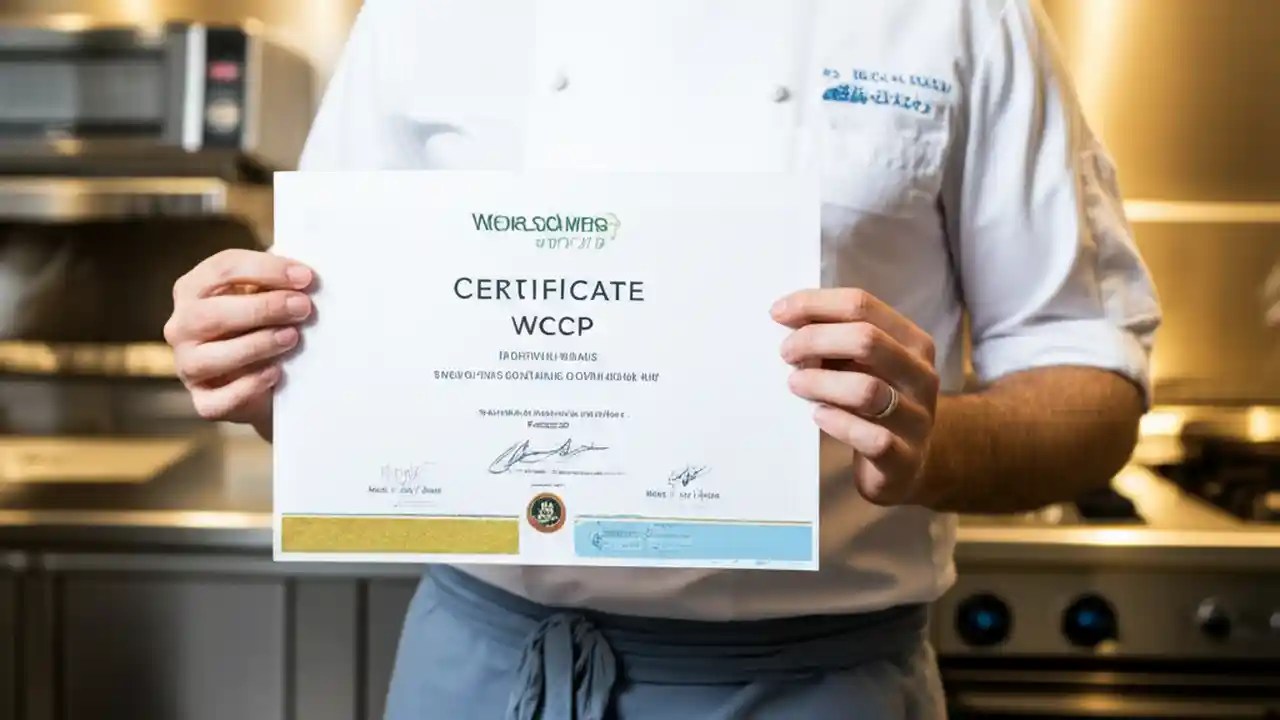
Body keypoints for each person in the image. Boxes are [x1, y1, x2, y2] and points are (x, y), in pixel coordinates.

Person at [163, 1, 1161, 717]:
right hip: (479, 673)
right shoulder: (424, 16)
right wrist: (252, 365)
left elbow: (1090, 390)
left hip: (815, 684)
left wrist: (933, 443)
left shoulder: (963, 18)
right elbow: (339, 370)